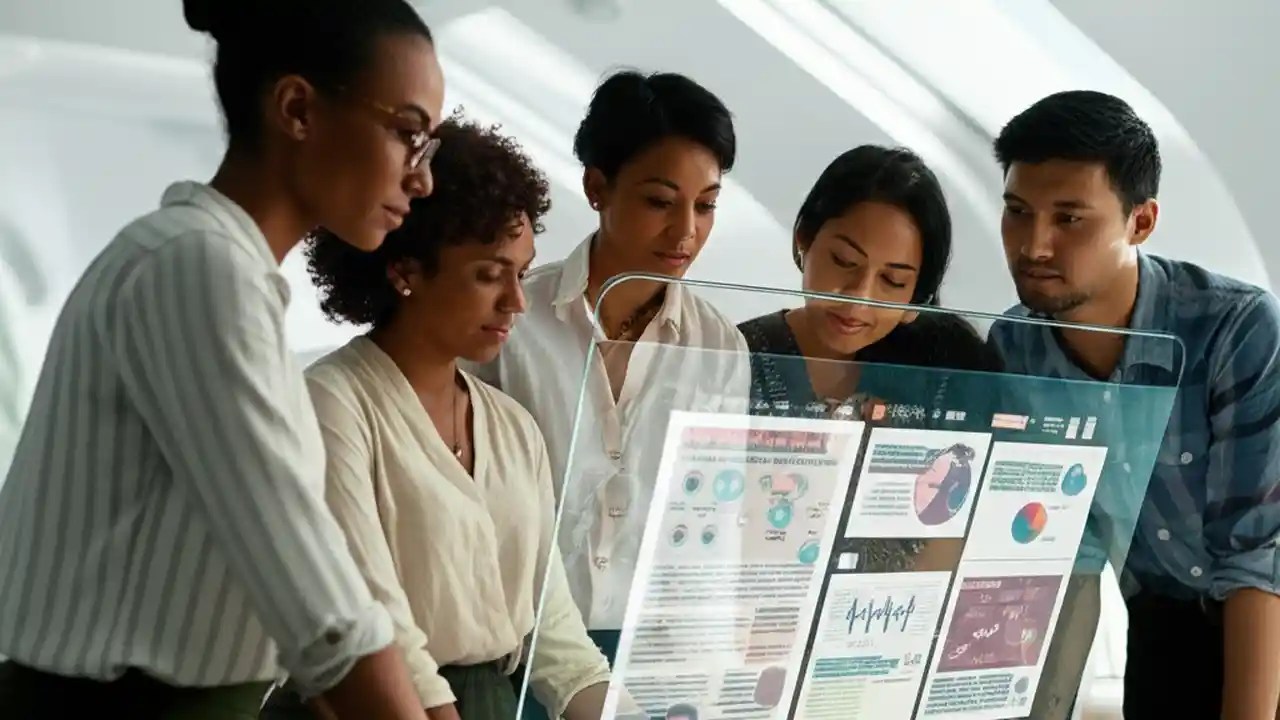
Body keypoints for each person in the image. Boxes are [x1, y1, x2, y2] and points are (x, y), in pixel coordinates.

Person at [0, 0, 444, 717]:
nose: (422, 179)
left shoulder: (219, 270)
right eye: (408, 134)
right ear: (297, 109)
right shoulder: (196, 268)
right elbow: (315, 595)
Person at [260, 117, 621, 720]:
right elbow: (377, 629)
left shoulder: (513, 429)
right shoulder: (332, 406)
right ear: (405, 271)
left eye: (521, 272)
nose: (516, 301)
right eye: (488, 274)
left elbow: (557, 639)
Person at [987, 90, 1280, 720]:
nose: (1034, 245)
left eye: (1069, 219)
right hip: (1162, 620)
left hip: (1266, 618)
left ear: (1140, 222)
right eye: (1017, 212)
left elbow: (1256, 556)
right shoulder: (1014, 346)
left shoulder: (1234, 327)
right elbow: (1063, 550)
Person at [463, 69, 750, 664]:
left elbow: (714, 530)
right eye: (660, 202)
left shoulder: (720, 349)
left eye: (706, 206)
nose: (686, 231)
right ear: (597, 187)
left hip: (654, 655)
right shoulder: (509, 321)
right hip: (512, 646)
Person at [737, 145, 1000, 575]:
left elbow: (954, 545)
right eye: (844, 262)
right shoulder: (735, 357)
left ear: (916, 298)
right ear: (803, 239)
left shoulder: (948, 376)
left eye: (892, 281)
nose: (859, 299)